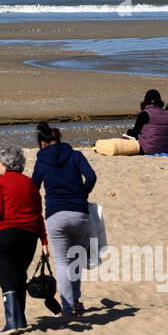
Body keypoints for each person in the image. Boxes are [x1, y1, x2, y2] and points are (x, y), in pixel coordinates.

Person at [31, 122, 98, 318]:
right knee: (76, 258)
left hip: (55, 215)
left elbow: (34, 187)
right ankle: (76, 300)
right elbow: (91, 177)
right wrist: (82, 195)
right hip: (79, 213)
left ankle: (67, 308)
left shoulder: (41, 161)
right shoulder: (75, 155)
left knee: (62, 262)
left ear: (42, 143)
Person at [0, 145, 44, 335]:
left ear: (5, 164)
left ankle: (12, 321)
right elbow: (38, 214)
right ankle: (21, 319)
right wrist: (44, 241)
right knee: (19, 274)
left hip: (6, 234)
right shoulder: (30, 184)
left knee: (6, 276)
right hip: (29, 235)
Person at [124, 88, 168, 155]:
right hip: (164, 149)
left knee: (129, 133)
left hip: (146, 149)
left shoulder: (145, 114)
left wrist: (128, 133)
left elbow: (135, 132)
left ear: (145, 100)